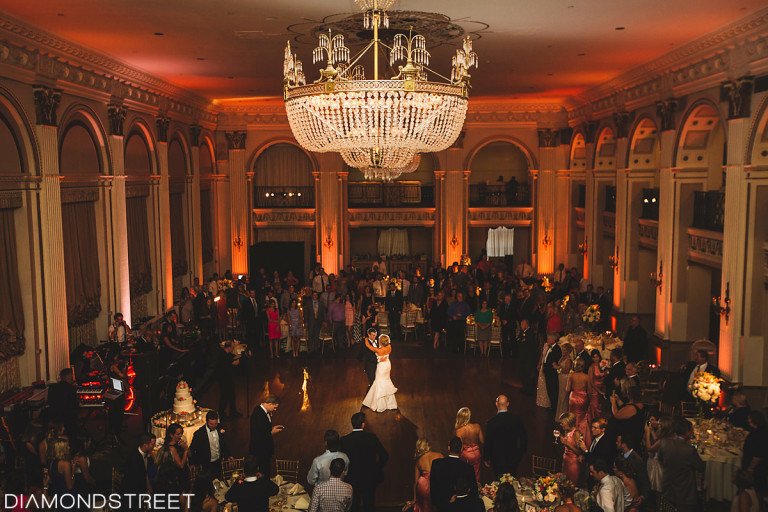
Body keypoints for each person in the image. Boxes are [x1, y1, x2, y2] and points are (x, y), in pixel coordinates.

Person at [340, 412, 389, 512]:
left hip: (352, 478)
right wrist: (377, 467)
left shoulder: (344, 440)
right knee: (369, 504)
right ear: (363, 424)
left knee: (354, 506)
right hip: (369, 477)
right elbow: (384, 455)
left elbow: (341, 459)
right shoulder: (372, 438)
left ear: (352, 423)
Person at [658, 418, 705, 512]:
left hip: (668, 489)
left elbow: (660, 460)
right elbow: (701, 468)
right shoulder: (689, 450)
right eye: (692, 430)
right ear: (687, 432)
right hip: (685, 493)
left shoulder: (664, 443)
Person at [483, 394, 528, 478]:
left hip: (497, 458)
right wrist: (521, 453)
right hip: (513, 456)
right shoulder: (516, 419)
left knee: (498, 479)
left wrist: (486, 458)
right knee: (512, 477)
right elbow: (523, 437)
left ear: (496, 404)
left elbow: (488, 442)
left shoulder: (491, 422)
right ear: (507, 404)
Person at [430, 437, 478, 512]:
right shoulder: (468, 468)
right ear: (461, 449)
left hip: (442, 506)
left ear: (449, 448)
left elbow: (433, 486)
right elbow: (474, 492)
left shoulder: (437, 464)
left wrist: (437, 504)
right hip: (462, 507)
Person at [362, 334, 398, 412]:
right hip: (387, 364)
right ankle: (390, 403)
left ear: (380, 342)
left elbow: (368, 346)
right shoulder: (389, 347)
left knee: (379, 382)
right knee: (386, 380)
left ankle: (380, 404)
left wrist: (365, 339)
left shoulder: (379, 350)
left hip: (381, 367)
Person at [250, 395, 284, 475]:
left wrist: (272, 428)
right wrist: (272, 432)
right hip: (260, 450)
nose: (275, 410)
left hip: (265, 449)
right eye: (275, 407)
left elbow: (262, 428)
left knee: (266, 470)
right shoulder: (258, 414)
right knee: (263, 472)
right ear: (270, 404)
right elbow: (257, 435)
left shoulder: (264, 412)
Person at [154, 423, 190, 496]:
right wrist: (186, 450)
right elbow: (181, 465)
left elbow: (189, 456)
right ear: (171, 435)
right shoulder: (171, 448)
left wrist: (185, 448)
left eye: (181, 433)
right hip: (176, 479)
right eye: (178, 434)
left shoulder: (179, 444)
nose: (180, 436)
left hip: (182, 476)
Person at [190, 411, 229, 478]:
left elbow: (224, 443)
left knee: (218, 479)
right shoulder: (199, 434)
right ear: (206, 421)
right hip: (206, 464)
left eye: (215, 424)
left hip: (218, 461)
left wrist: (228, 455)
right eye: (211, 424)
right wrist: (192, 463)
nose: (214, 426)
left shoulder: (220, 427)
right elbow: (192, 449)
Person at [120, 433, 157, 500]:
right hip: (131, 493)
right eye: (153, 444)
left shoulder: (148, 456)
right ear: (145, 445)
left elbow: (146, 474)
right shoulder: (134, 457)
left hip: (140, 490)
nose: (154, 447)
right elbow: (137, 478)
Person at [609, 384, 645, 450]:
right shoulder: (638, 404)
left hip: (628, 436)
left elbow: (617, 415)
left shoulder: (632, 408)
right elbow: (624, 408)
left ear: (630, 395)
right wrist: (618, 400)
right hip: (632, 434)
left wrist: (613, 403)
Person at [644, 415, 673, 494]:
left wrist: (647, 432)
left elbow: (649, 448)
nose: (657, 424)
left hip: (657, 465)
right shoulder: (669, 436)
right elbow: (657, 440)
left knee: (656, 488)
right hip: (665, 464)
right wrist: (652, 431)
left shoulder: (663, 441)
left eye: (659, 424)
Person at [454, 407, 484, 483]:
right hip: (477, 453)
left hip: (466, 455)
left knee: (466, 475)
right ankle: (477, 489)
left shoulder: (459, 431)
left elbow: (459, 448)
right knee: (476, 474)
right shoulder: (477, 426)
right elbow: (482, 441)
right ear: (469, 416)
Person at [615, 434, 649, 500]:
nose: (616, 443)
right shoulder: (620, 455)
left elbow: (644, 481)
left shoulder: (637, 460)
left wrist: (642, 497)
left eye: (618, 441)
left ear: (623, 444)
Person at [742, 410, 768, 496]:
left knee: (753, 490)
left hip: (757, 469)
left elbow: (758, 455)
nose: (748, 420)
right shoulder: (763, 429)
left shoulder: (757, 434)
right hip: (762, 467)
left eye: (749, 419)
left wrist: (750, 469)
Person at [567, 358, 592, 446]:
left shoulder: (571, 375)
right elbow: (589, 391)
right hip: (582, 398)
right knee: (581, 417)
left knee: (572, 417)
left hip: (573, 397)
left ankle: (571, 436)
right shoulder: (587, 377)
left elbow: (567, 389)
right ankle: (579, 438)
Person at [413, 438, 443, 512]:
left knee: (425, 506)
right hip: (436, 482)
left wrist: (414, 499)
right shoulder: (439, 455)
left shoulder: (419, 461)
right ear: (428, 445)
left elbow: (415, 482)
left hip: (423, 484)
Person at [46, 368, 79, 436]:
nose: (72, 377)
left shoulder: (52, 387)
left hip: (54, 415)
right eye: (71, 375)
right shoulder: (71, 388)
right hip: (68, 417)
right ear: (68, 376)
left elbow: (49, 401)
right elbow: (75, 404)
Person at [558, 413, 586, 485]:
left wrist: (567, 444)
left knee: (571, 487)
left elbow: (580, 452)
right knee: (563, 485)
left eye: (562, 423)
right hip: (565, 462)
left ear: (568, 422)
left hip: (573, 464)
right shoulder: (567, 431)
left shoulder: (576, 433)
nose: (561, 425)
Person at [215, 341, 241, 419]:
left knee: (232, 395)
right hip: (223, 379)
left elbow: (235, 357)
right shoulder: (223, 355)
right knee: (224, 396)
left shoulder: (227, 354)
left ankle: (233, 412)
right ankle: (221, 414)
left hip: (228, 378)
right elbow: (235, 362)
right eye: (232, 347)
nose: (233, 348)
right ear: (229, 347)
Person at [48, 437, 75, 507]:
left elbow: (51, 480)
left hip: (56, 497)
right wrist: (73, 470)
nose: (69, 448)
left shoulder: (52, 462)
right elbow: (70, 486)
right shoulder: (65, 464)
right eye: (67, 446)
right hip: (66, 498)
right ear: (63, 449)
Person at [543, 334, 563, 412]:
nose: (547, 340)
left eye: (548, 339)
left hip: (552, 373)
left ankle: (554, 407)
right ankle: (552, 405)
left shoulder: (557, 349)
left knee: (553, 390)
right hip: (548, 372)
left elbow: (556, 361)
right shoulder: (550, 347)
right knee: (549, 389)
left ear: (553, 340)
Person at [518, 318, 538, 395]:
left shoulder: (530, 333)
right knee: (523, 372)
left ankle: (529, 389)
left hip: (529, 357)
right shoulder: (522, 332)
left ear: (526, 324)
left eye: (522, 324)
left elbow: (526, 344)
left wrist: (522, 341)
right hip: (523, 356)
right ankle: (524, 387)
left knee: (529, 373)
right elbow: (519, 340)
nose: (521, 326)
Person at [556, 344, 573, 418]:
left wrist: (557, 367)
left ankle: (563, 416)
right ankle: (559, 414)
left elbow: (566, 371)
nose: (563, 351)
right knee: (560, 396)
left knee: (564, 397)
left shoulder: (568, 359)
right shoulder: (563, 357)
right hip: (561, 378)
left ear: (568, 351)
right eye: (562, 349)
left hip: (565, 379)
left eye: (564, 350)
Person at [588, 349, 606, 418]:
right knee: (595, 408)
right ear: (592, 358)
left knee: (601, 407)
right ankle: (595, 422)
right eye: (594, 357)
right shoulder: (591, 367)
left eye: (597, 357)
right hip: (594, 390)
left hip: (602, 388)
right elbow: (591, 382)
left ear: (599, 357)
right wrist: (599, 391)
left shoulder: (603, 365)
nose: (596, 359)